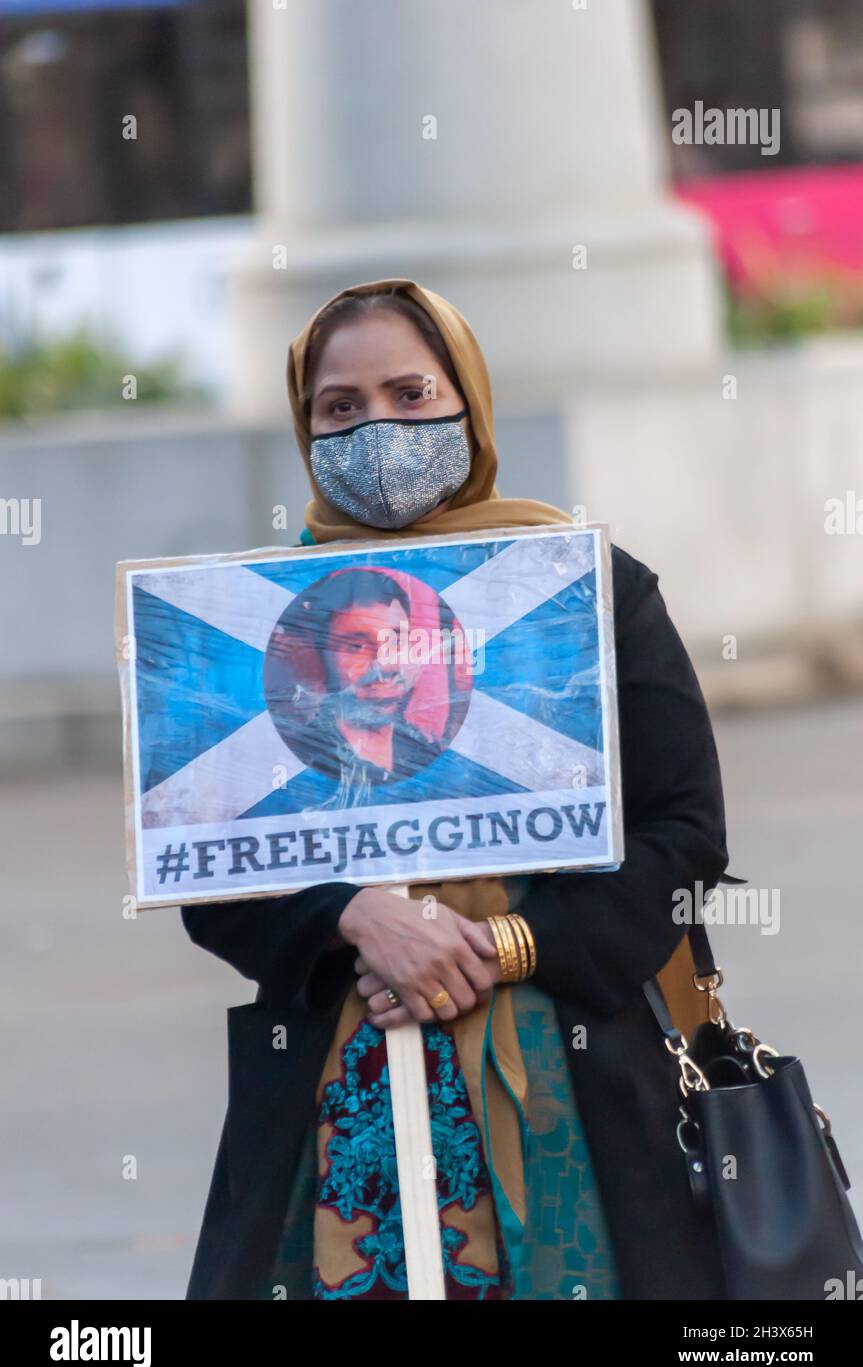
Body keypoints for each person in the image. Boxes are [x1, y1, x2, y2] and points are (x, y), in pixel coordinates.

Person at [181, 279, 731, 1300]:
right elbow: (209, 865)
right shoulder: (256, 618)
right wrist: (352, 916)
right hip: (338, 1087)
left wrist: (501, 945)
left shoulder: (585, 588)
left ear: (466, 403)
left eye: (407, 393)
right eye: (338, 408)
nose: (376, 429)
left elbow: (683, 831)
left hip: (570, 1074)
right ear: (304, 428)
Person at [264, 567, 447, 789]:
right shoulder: (305, 757)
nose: (385, 665)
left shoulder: (424, 751)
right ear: (321, 656)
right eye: (356, 646)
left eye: (396, 642)